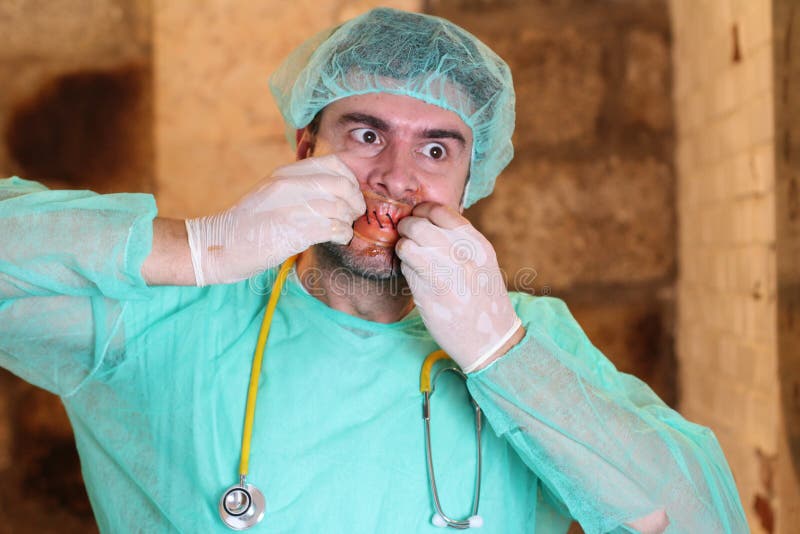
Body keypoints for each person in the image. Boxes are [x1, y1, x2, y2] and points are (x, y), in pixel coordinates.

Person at [0, 7, 747, 533]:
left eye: (435, 150)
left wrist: (503, 355)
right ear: (304, 150)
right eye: (365, 134)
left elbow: (699, 522)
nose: (395, 177)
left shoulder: (531, 338)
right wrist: (196, 248)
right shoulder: (164, 319)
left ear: (470, 177)